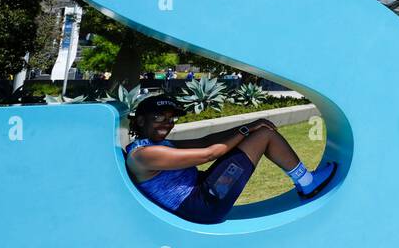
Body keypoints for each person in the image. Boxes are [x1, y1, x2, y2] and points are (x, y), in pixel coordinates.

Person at [124, 94, 337, 224]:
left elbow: (206, 139)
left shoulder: (158, 145)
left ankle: (306, 181)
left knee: (259, 134)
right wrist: (248, 129)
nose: (167, 123)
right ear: (141, 120)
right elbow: (209, 153)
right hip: (203, 205)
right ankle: (308, 183)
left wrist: (247, 127)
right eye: (159, 117)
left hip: (204, 192)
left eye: (171, 118)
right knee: (264, 136)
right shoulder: (143, 155)